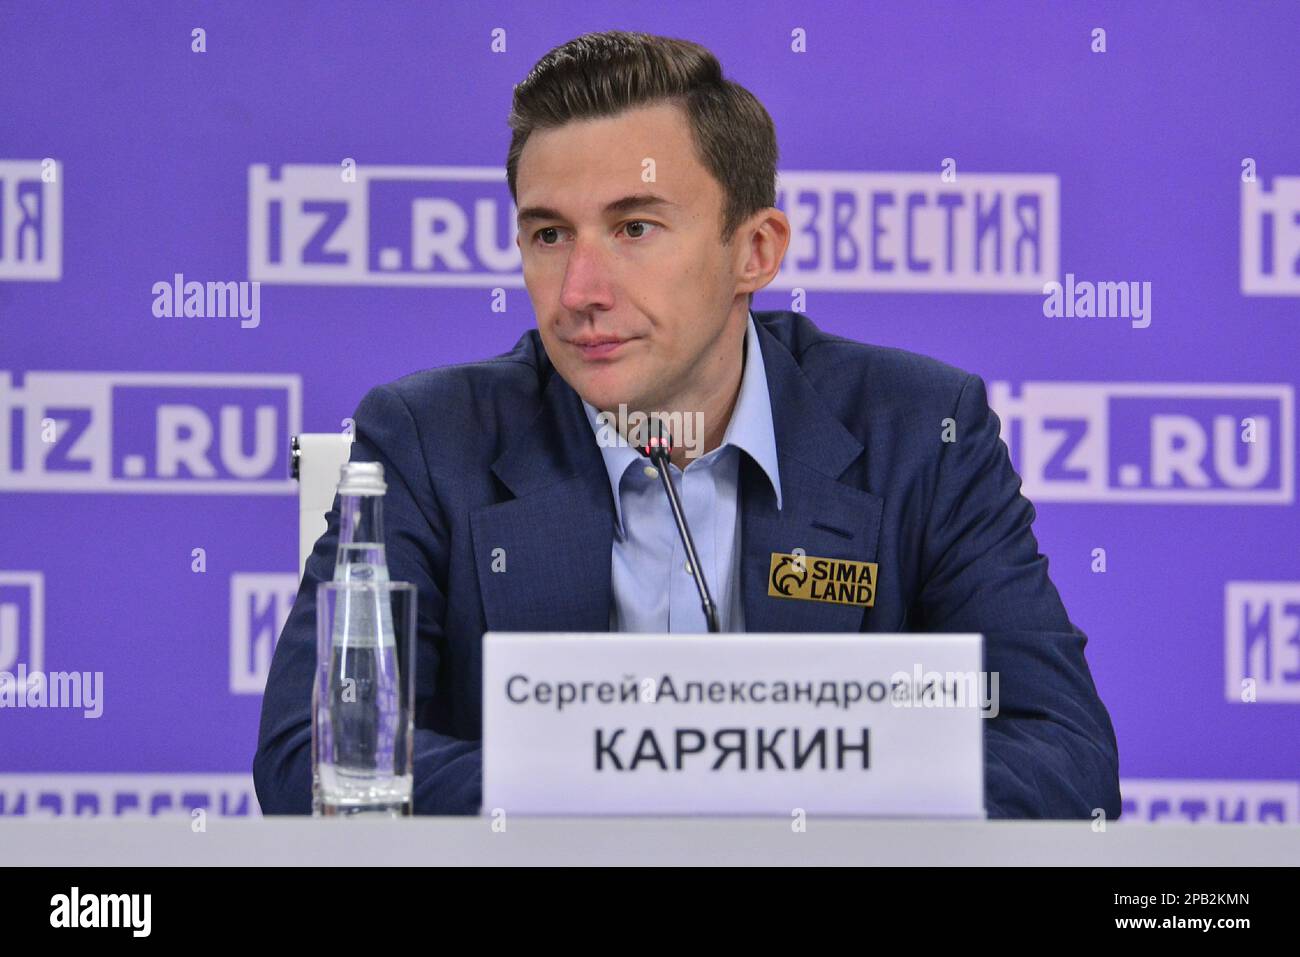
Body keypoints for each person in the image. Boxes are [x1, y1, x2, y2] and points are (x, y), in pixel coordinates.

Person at [255, 30, 1121, 819]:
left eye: (634, 227)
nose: (581, 290)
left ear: (756, 251)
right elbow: (314, 758)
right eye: (550, 234)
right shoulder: (426, 438)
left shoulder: (920, 432)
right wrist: (667, 798)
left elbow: (1062, 756)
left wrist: (736, 802)